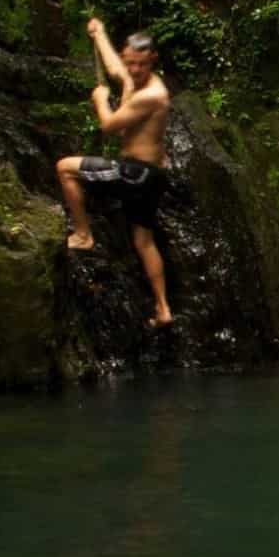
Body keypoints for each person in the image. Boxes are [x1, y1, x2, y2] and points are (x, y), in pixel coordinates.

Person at [56, 19, 174, 328]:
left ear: (152, 61)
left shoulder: (153, 95)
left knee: (65, 168)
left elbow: (109, 127)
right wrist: (100, 35)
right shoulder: (138, 79)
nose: (133, 70)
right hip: (151, 176)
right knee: (143, 240)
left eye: (140, 64)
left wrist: (99, 101)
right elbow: (116, 71)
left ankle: (83, 235)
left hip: (137, 174)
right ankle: (163, 309)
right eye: (130, 63)